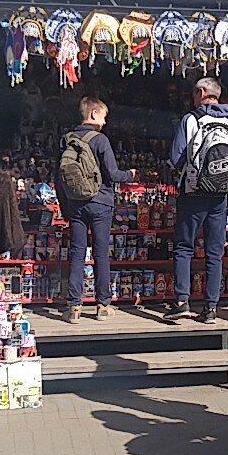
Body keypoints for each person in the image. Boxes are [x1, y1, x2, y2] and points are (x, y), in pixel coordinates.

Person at [165, 77, 228, 324]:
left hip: (193, 192)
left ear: (201, 93)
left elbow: (176, 158)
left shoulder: (191, 120)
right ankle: (211, 308)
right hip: (221, 195)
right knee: (214, 253)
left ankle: (182, 302)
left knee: (184, 247)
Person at [57, 96, 136, 323]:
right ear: (93, 114)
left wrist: (66, 206)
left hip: (75, 204)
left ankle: (74, 307)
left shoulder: (67, 139)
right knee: (101, 252)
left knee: (77, 252)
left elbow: (59, 176)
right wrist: (129, 175)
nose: (104, 122)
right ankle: (103, 305)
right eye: (103, 117)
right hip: (100, 202)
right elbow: (112, 174)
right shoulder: (100, 140)